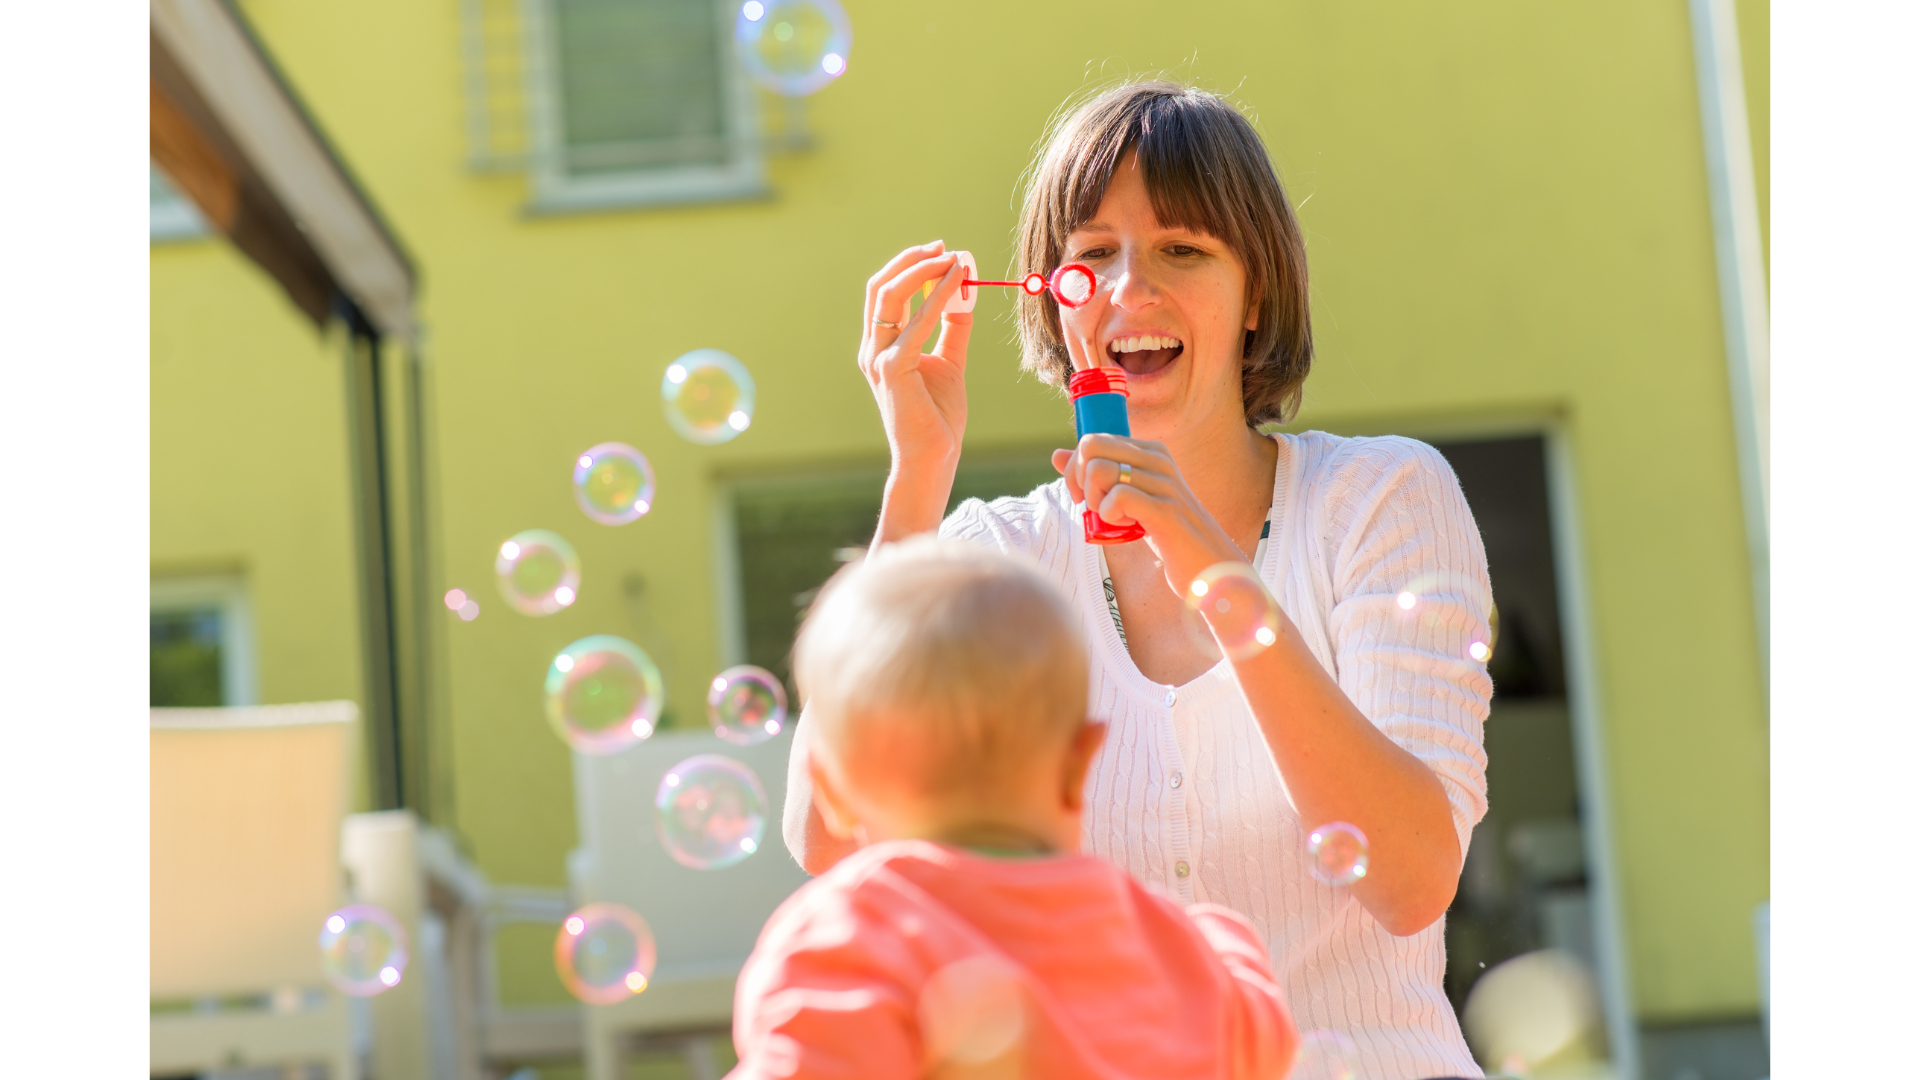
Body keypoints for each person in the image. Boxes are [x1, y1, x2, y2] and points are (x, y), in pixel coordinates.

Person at [784, 80, 1495, 1080]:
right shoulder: (1004, 555)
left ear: (1258, 297)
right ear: (1051, 302)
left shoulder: (1378, 500)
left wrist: (1201, 553)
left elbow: (1411, 877)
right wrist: (918, 477)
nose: (1129, 291)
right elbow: (833, 839)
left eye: (1182, 250)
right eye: (1090, 259)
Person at [729, 538, 1298, 1079]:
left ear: (829, 792)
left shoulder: (850, 940)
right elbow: (1261, 1041)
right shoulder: (1177, 950)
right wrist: (1219, 943)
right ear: (1080, 763)